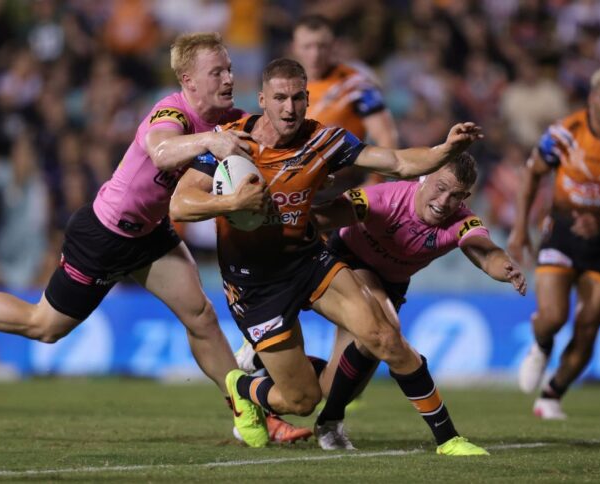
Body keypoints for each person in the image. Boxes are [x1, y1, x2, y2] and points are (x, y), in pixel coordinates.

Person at [0, 32, 272, 447]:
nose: (229, 78)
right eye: (217, 72)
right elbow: (161, 152)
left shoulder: (229, 120)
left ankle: (246, 406)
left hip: (150, 234)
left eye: (229, 69)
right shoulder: (170, 114)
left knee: (201, 316)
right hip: (104, 235)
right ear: (188, 80)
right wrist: (209, 140)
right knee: (44, 326)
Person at [171, 58, 488, 455]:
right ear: (262, 99)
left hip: (308, 261)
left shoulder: (324, 141)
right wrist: (233, 202)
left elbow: (397, 162)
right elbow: (180, 204)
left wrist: (445, 149)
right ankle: (241, 386)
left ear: (308, 99)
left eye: (298, 98)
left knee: (384, 335)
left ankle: (448, 439)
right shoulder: (229, 142)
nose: (290, 108)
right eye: (280, 98)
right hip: (255, 286)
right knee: (303, 400)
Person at [236, 152, 527, 449]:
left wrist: (505, 268)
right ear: (424, 176)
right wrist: (280, 213)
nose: (444, 201)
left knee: (332, 386)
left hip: (392, 285)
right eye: (440, 188)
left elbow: (484, 251)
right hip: (347, 260)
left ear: (465, 197)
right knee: (387, 332)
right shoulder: (384, 198)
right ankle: (443, 438)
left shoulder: (463, 221)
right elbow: (325, 216)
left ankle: (253, 385)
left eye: (456, 196)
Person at [508, 65, 600, 420]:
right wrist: (520, 229)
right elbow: (531, 173)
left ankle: (552, 395)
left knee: (588, 327)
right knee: (553, 316)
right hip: (562, 232)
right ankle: (541, 345)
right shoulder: (564, 133)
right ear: (592, 98)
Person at [291, 15, 399, 200]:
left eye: (322, 46)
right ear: (294, 47)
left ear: (334, 46)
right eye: (307, 46)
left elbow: (386, 136)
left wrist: (375, 181)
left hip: (343, 188)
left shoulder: (355, 85)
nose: (315, 54)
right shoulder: (286, 85)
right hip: (297, 186)